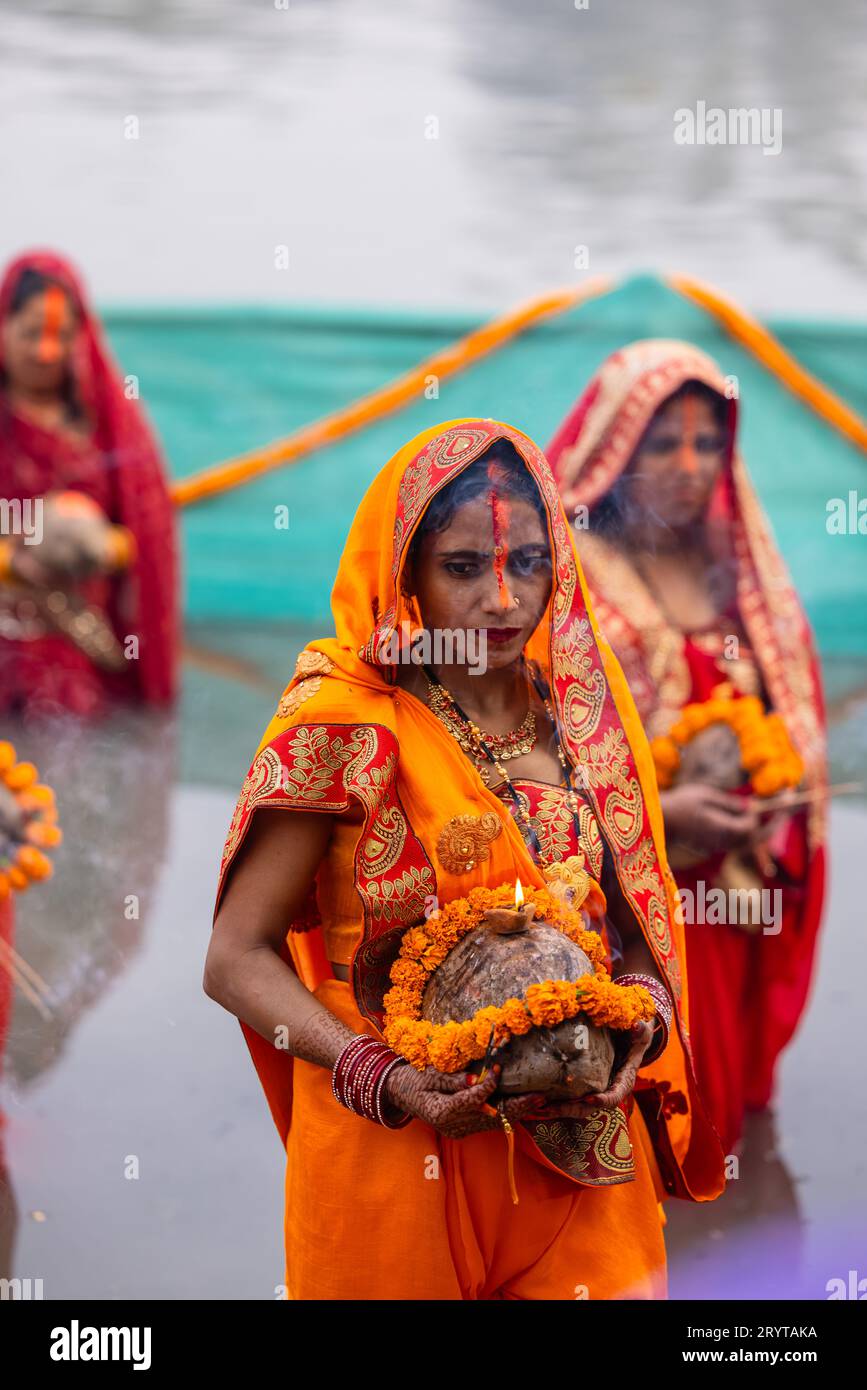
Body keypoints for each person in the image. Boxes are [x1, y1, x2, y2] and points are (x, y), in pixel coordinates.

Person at [205, 417, 723, 1301]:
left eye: (526, 562)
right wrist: (387, 1077)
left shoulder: (585, 721)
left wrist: (635, 1023)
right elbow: (232, 958)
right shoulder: (345, 721)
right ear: (403, 571)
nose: (501, 599)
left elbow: (638, 933)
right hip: (390, 1143)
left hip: (578, 1137)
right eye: (461, 568)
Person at [547, 341, 827, 1153]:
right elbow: (525, 754)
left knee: (723, 1107)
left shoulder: (738, 573)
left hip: (737, 882)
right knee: (647, 1115)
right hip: (630, 899)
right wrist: (658, 814)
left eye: (708, 444)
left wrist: (781, 792)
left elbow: (790, 702)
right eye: (663, 441)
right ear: (615, 450)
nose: (688, 464)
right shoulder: (570, 579)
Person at [0, 250, 178, 717]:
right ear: (3, 328)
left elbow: (147, 538)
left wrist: (94, 545)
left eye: (59, 335)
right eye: (30, 333)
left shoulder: (107, 429)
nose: (45, 351)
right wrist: (17, 559)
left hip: (85, 660)